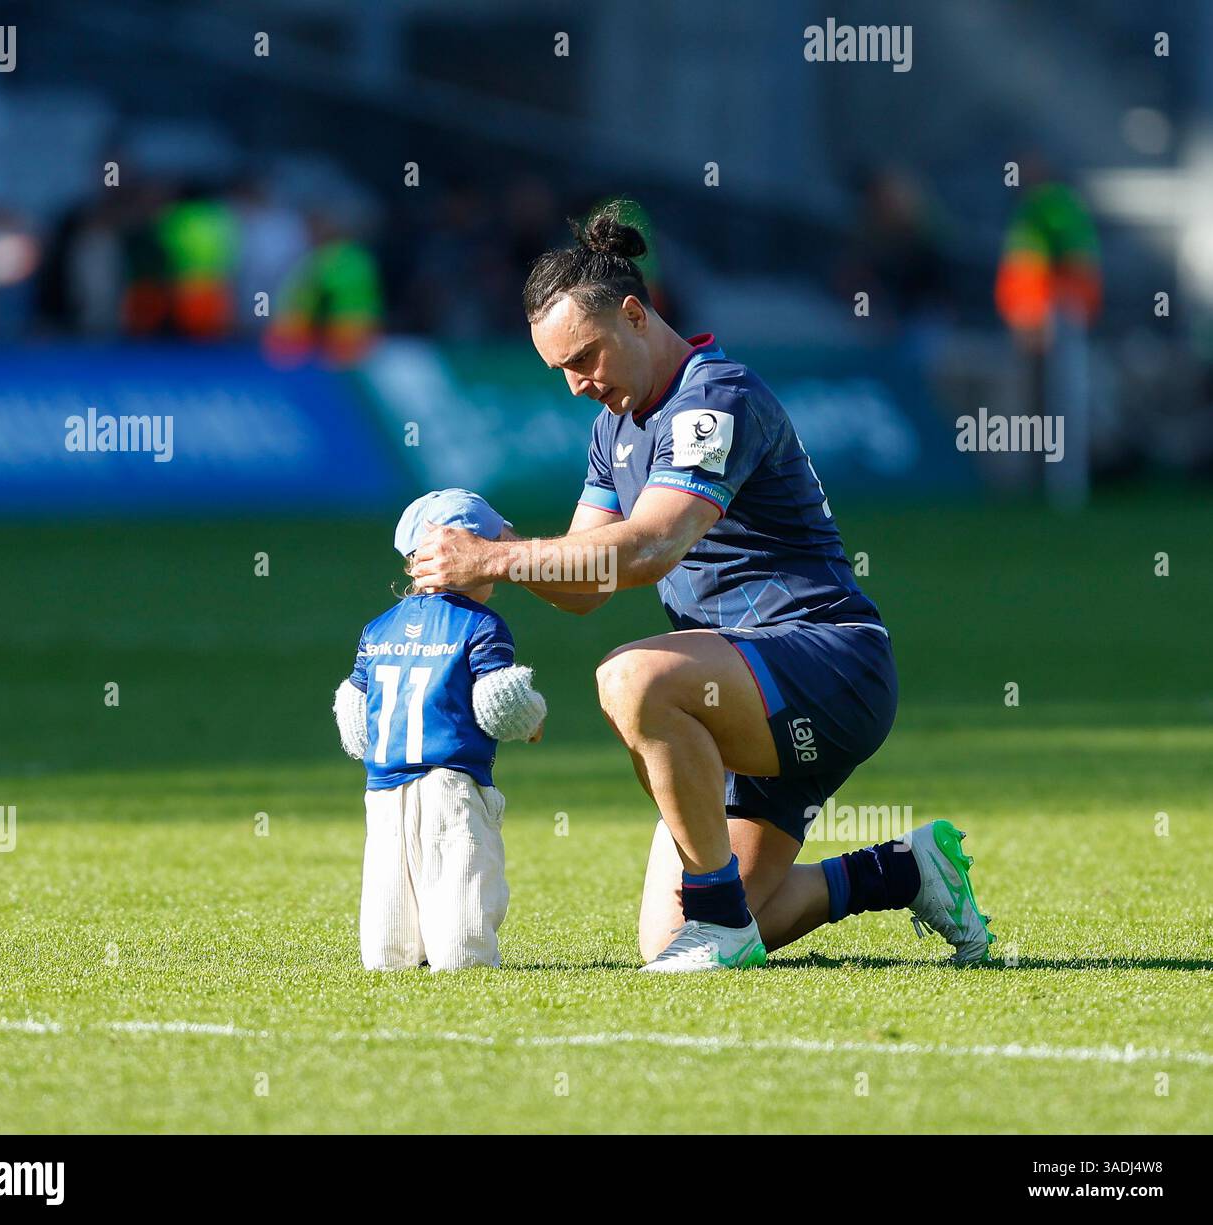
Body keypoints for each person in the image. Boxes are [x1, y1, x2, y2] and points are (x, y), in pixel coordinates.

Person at [410, 202, 994, 972]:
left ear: (635, 315)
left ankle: (720, 919)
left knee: (630, 679)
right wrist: (506, 548)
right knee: (670, 936)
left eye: (585, 357)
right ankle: (909, 871)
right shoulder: (613, 428)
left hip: (823, 665)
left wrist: (495, 561)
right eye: (562, 372)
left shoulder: (714, 400)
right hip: (740, 695)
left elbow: (648, 548)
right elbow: (588, 581)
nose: (578, 385)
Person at [333, 489, 547, 970]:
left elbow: (353, 709)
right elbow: (499, 703)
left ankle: (391, 957)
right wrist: (532, 721)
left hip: (383, 788)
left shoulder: (378, 628)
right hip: (451, 783)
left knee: (390, 894)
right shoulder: (480, 625)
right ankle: (462, 961)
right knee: (461, 885)